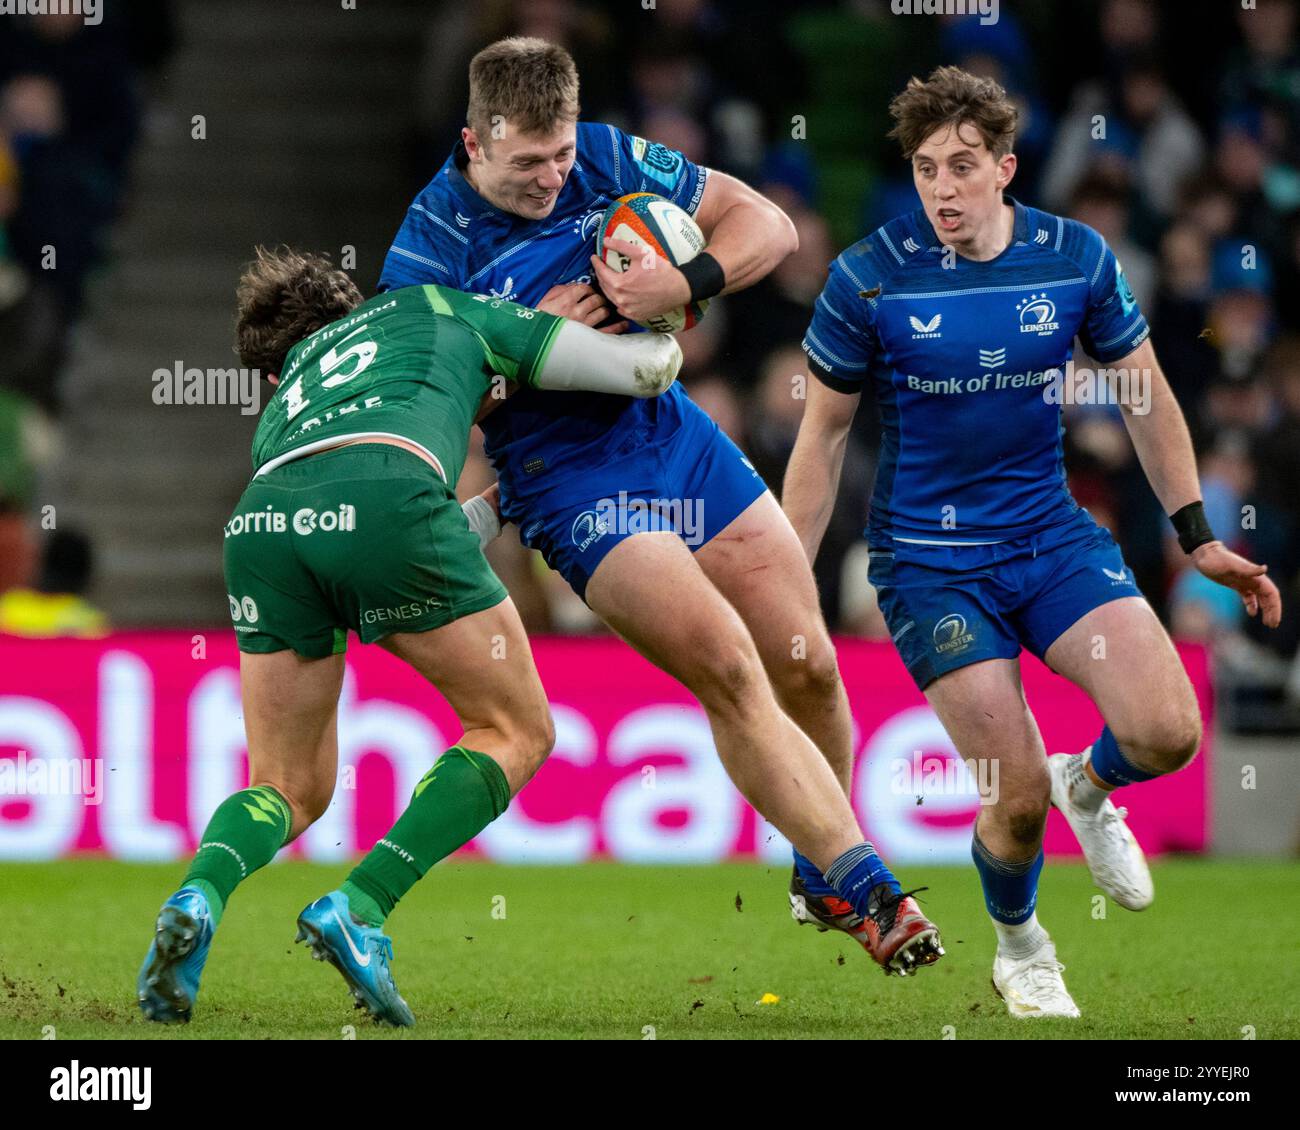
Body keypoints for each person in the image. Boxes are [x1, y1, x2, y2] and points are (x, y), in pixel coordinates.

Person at [381, 37, 944, 974]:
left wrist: (684, 283)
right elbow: (420, 406)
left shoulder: (601, 157)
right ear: (474, 143)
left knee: (806, 663)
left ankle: (819, 864)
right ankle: (868, 888)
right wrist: (528, 344)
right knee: (726, 663)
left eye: (560, 155)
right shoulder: (429, 243)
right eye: (529, 162)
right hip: (568, 480)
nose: (553, 177)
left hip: (675, 437)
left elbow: (765, 225)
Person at [783, 66, 1282, 1019]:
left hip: (1052, 539)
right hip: (930, 565)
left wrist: (1197, 537)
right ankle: (1023, 949)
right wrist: (784, 587)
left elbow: (1145, 396)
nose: (942, 188)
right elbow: (824, 439)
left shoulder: (1076, 259)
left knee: (1168, 731)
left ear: (1006, 167)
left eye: (963, 166)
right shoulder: (869, 276)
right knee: (1010, 795)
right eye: (927, 168)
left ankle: (1088, 789)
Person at [137, 246, 683, 1027]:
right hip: (389, 503)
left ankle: (200, 891)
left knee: (286, 785)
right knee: (516, 728)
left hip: (263, 519)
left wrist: (492, 506)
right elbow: (644, 372)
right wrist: (671, 311)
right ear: (355, 308)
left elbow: (371, 538)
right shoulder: (433, 305)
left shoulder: (288, 395)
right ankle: (361, 905)